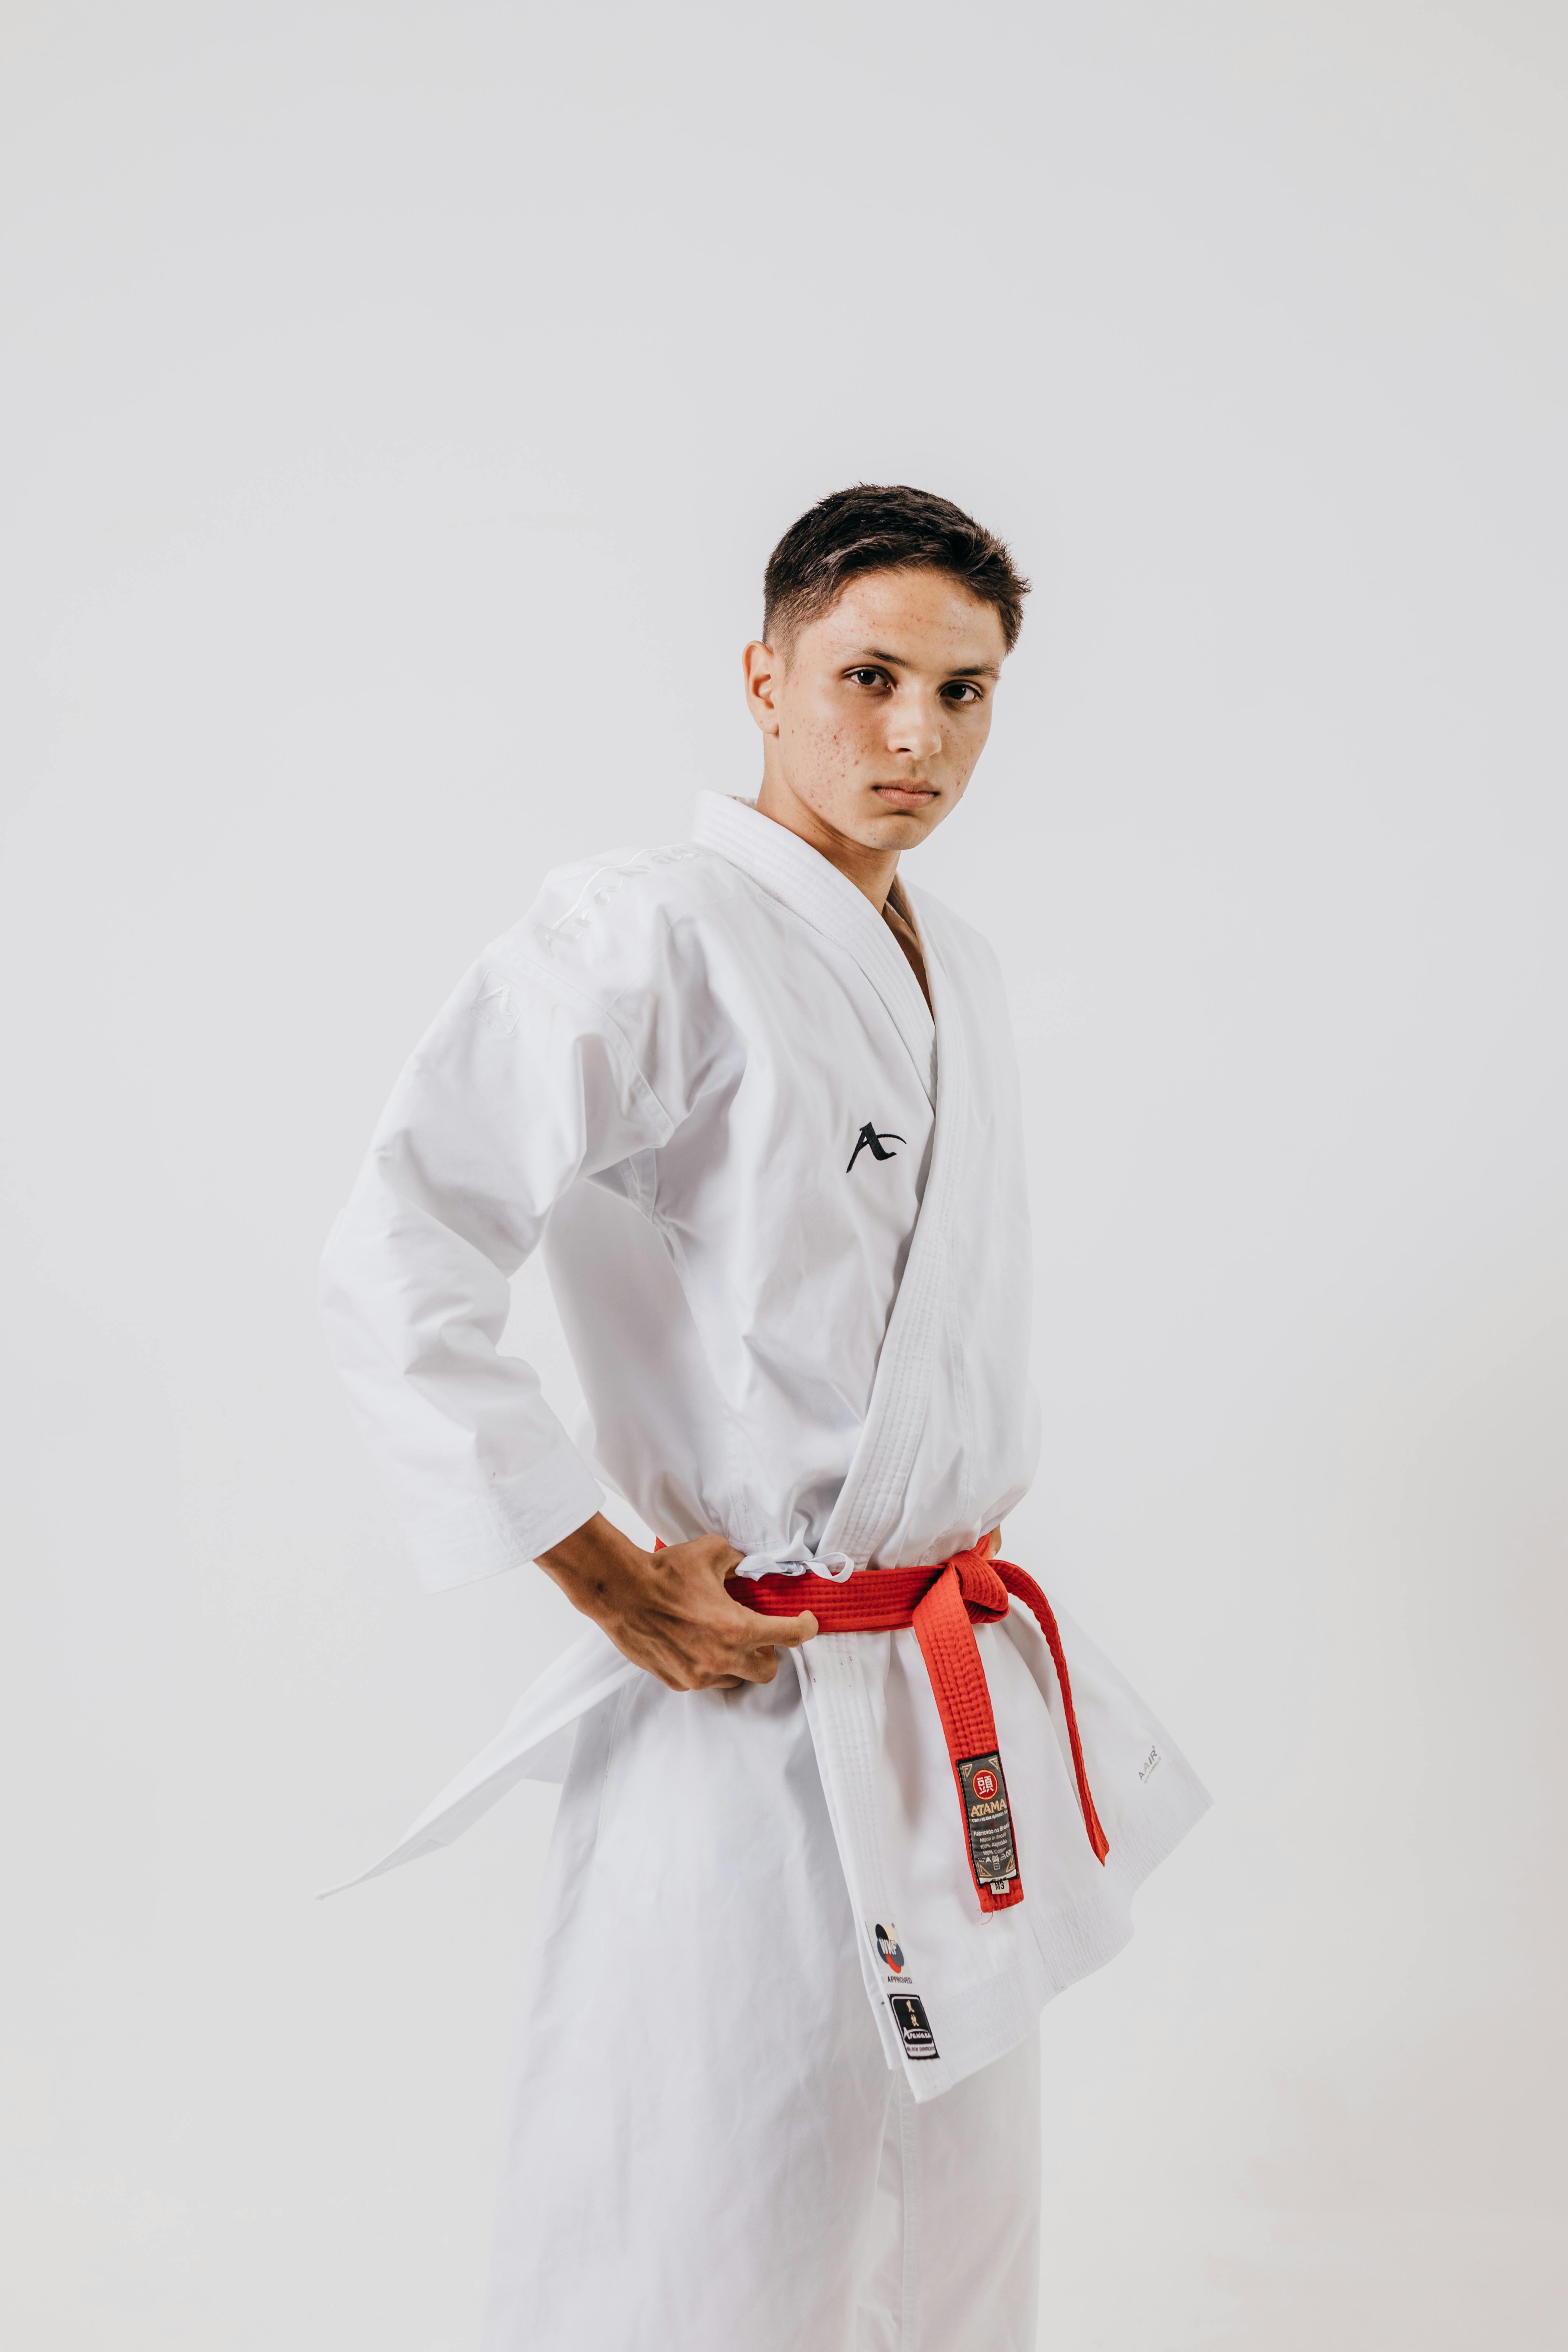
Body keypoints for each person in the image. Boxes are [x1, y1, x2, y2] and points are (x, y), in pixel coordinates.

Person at [319, 483, 1209, 2351]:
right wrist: (603, 1574)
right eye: (868, 677)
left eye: (964, 694)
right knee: (705, 2224)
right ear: (763, 674)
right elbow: (402, 1242)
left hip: (933, 1696)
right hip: (744, 1689)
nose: (915, 738)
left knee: (952, 2247)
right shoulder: (651, 933)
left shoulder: (945, 964)